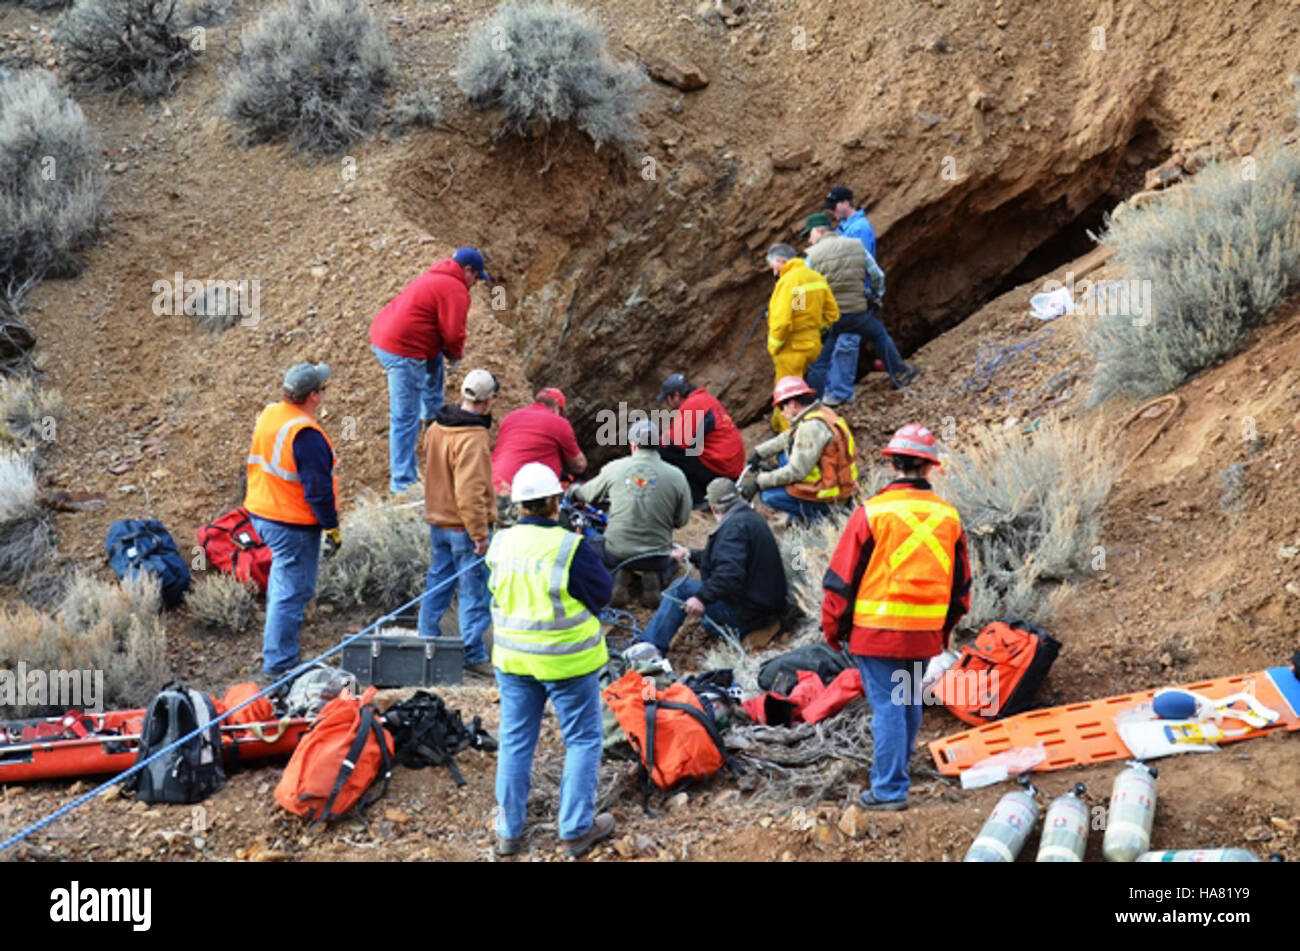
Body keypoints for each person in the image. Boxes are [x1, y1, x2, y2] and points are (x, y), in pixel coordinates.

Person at [821, 424, 972, 811]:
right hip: (924, 634)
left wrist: (833, 629)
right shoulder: (949, 517)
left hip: (877, 633)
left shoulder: (871, 513)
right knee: (905, 701)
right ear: (929, 468)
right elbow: (961, 587)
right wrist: (945, 634)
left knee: (888, 705)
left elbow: (840, 580)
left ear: (892, 464)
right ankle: (898, 777)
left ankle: (888, 789)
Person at [486, 462, 615, 859]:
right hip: (566, 662)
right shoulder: (569, 547)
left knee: (515, 740)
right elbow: (603, 594)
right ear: (555, 503)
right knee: (582, 739)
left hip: (513, 660)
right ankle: (575, 829)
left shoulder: (500, 543)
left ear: (520, 505)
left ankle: (508, 830)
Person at [369, 247, 491, 495]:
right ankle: (402, 484)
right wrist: (456, 354)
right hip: (401, 350)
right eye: (476, 278)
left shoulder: (434, 277)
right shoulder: (456, 289)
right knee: (404, 416)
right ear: (467, 270)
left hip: (388, 336)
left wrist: (447, 352)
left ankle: (432, 420)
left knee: (434, 362)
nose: (475, 284)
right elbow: (453, 332)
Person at [244, 363, 339, 679]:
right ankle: (280, 665)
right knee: (293, 591)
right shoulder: (305, 434)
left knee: (285, 586)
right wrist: (332, 526)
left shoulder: (271, 413)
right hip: (290, 522)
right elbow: (318, 490)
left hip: (263, 512)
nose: (324, 394)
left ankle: (279, 655)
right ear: (313, 396)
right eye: (322, 389)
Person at [638, 478, 787, 655]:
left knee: (680, 588)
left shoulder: (733, 529)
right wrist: (689, 554)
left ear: (714, 507)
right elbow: (725, 558)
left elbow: (729, 574)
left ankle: (650, 648)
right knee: (708, 624)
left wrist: (702, 598)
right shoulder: (749, 518)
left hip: (749, 613)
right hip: (762, 606)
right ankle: (745, 628)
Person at [419, 368, 498, 677]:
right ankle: (472, 653)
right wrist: (479, 533)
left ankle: (428, 640)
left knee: (438, 581)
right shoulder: (474, 438)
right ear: (488, 399)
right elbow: (470, 492)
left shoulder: (438, 426)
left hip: (438, 522)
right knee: (474, 591)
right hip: (463, 528)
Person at [570, 418, 691, 609]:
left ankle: (619, 576)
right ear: (658, 444)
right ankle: (653, 578)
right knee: (673, 557)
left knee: (586, 548)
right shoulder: (677, 475)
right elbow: (681, 520)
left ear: (633, 444)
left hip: (617, 552)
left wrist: (573, 491)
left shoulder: (614, 468)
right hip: (657, 556)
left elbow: (586, 495)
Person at [803, 213, 917, 399]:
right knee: (880, 336)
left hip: (831, 318)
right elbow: (877, 276)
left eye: (809, 234)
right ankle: (900, 375)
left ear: (819, 230)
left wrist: (800, 311)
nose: (809, 240)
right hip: (858, 312)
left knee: (819, 362)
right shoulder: (856, 246)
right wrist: (875, 296)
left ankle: (814, 403)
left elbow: (800, 288)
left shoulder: (812, 257)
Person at [740, 376, 858, 523]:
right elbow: (788, 437)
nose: (782, 413)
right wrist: (761, 452)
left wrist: (759, 482)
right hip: (839, 482)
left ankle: (820, 517)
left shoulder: (810, 428)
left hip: (830, 495)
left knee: (767, 495)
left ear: (792, 404)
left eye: (781, 408)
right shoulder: (822, 412)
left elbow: (796, 471)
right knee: (783, 456)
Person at [764, 243, 839, 432]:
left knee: (787, 397)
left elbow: (782, 322)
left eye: (772, 265)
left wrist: (774, 346)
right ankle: (781, 425)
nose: (772, 270)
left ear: (781, 261)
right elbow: (831, 314)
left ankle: (789, 437)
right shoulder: (813, 277)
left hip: (791, 350)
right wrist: (813, 328)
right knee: (798, 389)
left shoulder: (788, 281)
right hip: (811, 345)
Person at [655, 373, 745, 506]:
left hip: (721, 469)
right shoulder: (705, 399)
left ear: (676, 395)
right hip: (732, 469)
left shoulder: (693, 404)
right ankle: (700, 494)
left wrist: (662, 440)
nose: (668, 404)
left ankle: (696, 498)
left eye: (667, 399)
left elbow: (677, 441)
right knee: (684, 450)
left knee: (664, 451)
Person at [491, 386, 586, 497]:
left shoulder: (511, 417)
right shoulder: (559, 422)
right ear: (557, 408)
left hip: (493, 485)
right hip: (522, 493)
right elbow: (579, 465)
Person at [823, 185, 877, 259]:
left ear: (846, 203)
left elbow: (861, 261)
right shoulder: (843, 227)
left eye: (833, 206)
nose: (832, 210)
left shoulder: (860, 227)